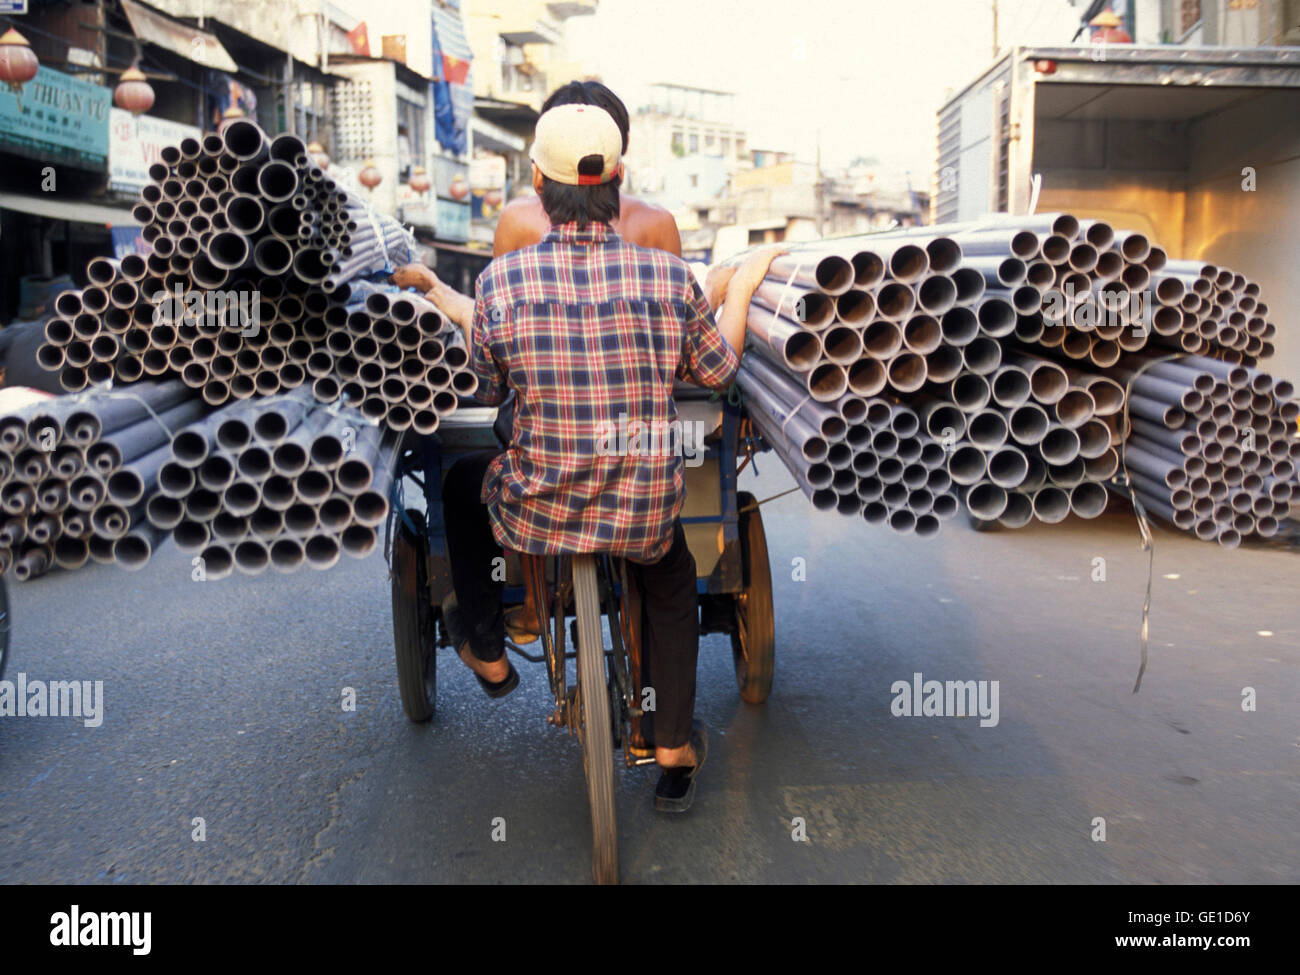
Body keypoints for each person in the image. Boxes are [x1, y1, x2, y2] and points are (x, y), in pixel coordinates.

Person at [414, 102, 779, 812]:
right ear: (618, 177)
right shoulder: (669, 278)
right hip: (642, 509)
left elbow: (487, 389)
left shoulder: (499, 283)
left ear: (538, 185)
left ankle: (488, 649)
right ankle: (672, 743)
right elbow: (717, 371)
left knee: (460, 485)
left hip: (533, 508)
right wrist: (740, 286)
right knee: (670, 573)